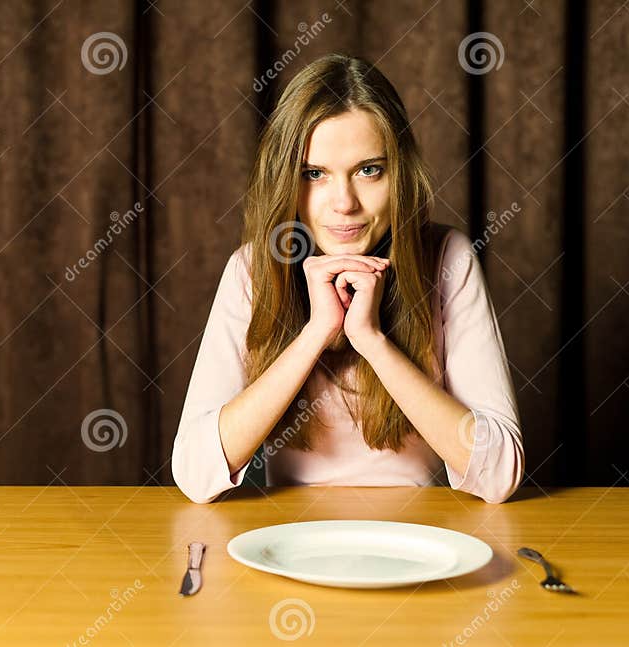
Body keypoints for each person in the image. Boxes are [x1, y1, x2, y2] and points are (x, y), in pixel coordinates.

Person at [171, 53, 524, 505]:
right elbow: (195, 476)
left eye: (368, 170)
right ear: (286, 181)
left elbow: (499, 476)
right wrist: (317, 332)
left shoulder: (447, 258)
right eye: (314, 174)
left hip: (423, 537)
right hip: (290, 539)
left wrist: (371, 339)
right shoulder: (253, 269)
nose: (344, 203)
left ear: (400, 174)